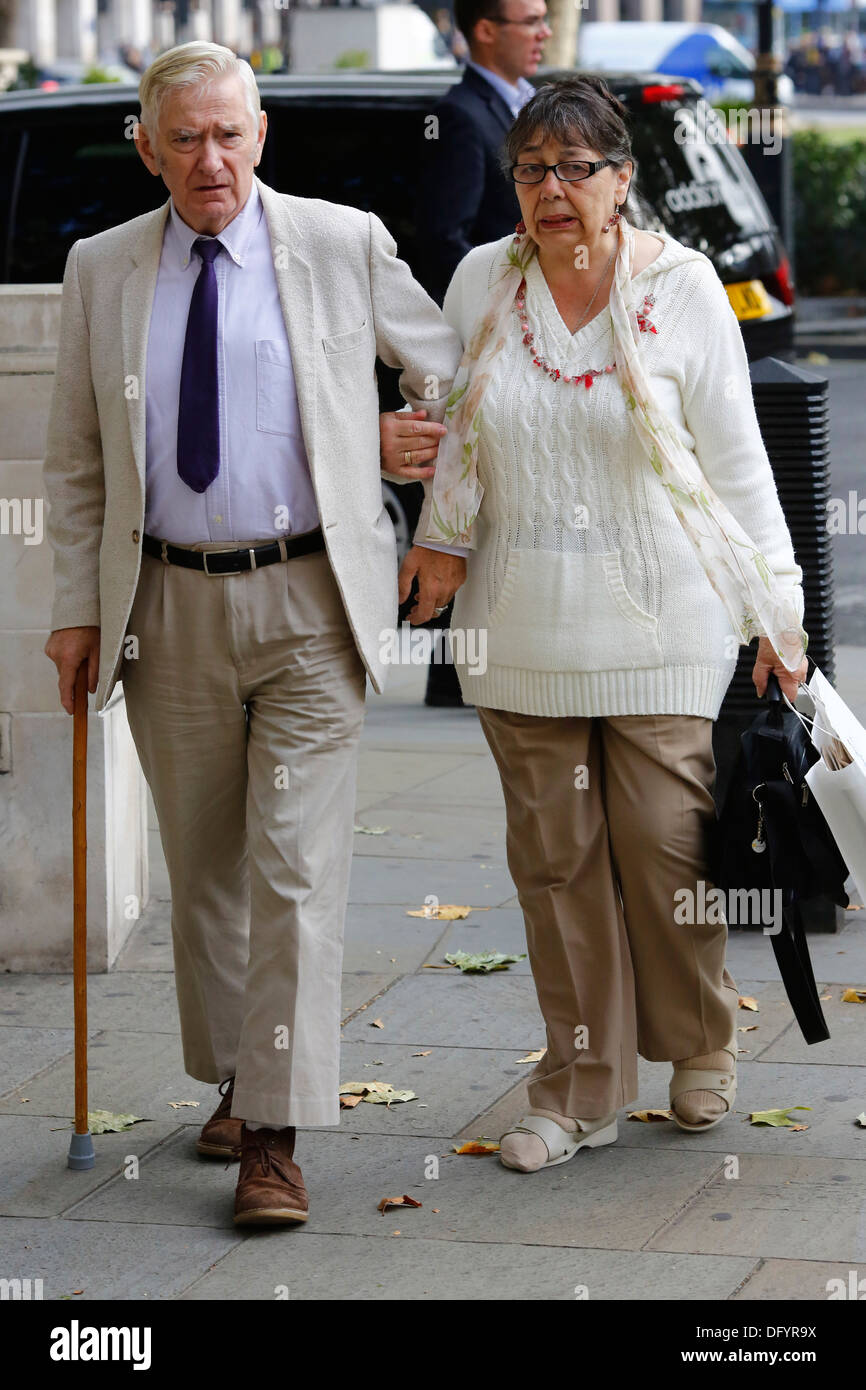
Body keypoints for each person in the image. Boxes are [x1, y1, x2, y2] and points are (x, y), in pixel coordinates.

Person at [42, 40, 461, 1225]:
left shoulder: (339, 241)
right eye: (185, 138)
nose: (210, 158)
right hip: (164, 602)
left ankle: (273, 1135)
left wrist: (394, 441)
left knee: (293, 869)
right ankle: (234, 1075)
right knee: (207, 874)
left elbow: (450, 373)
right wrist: (75, 611)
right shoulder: (102, 266)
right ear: (148, 146)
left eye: (229, 134)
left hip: (308, 603)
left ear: (261, 134)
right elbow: (76, 460)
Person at [384, 76, 808, 1172]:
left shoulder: (681, 287)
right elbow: (449, 426)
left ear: (622, 180)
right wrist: (430, 524)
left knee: (666, 855)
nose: (552, 190)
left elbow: (735, 461)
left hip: (661, 624)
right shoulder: (483, 278)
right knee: (555, 870)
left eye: (577, 169)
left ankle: (698, 1045)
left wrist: (778, 607)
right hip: (515, 629)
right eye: (531, 169)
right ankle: (578, 1089)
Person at [415, 0, 552, 705]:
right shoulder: (460, 117)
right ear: (485, 30)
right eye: (531, 19)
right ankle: (449, 671)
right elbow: (444, 237)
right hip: (490, 350)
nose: (546, 31)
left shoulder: (530, 109)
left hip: (535, 349)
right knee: (463, 500)